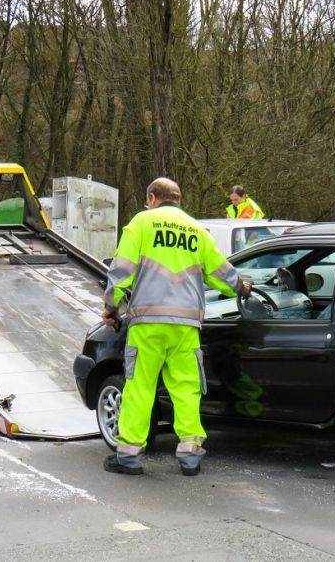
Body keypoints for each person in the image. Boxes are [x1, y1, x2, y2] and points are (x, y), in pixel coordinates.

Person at [101, 177, 251, 476]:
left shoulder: (141, 223)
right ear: (178, 199)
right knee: (186, 389)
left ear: (152, 198)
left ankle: (129, 455)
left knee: (140, 387)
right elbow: (220, 271)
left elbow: (122, 270)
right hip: (186, 325)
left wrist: (110, 306)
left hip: (148, 323)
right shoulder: (197, 230)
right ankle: (190, 454)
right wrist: (242, 287)